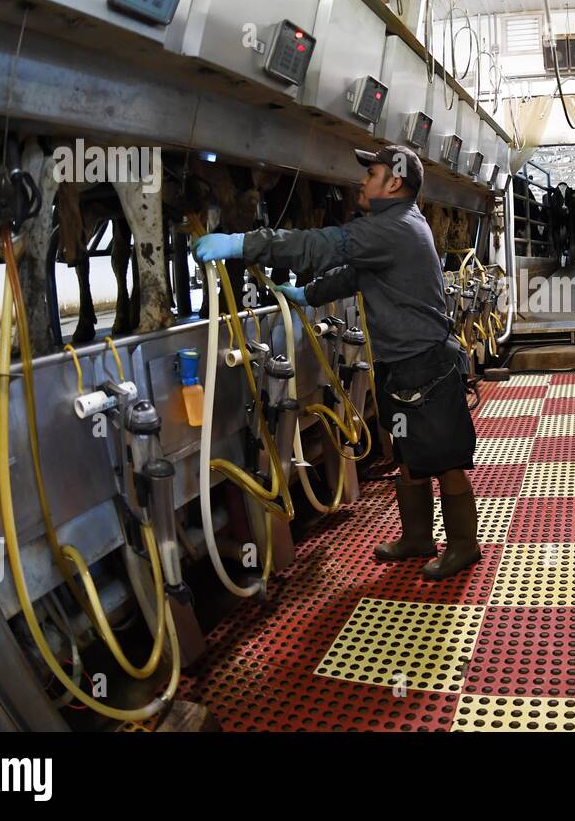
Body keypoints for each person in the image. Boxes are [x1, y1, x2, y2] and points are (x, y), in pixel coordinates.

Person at [192, 144, 480, 580]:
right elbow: (355, 274)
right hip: (399, 369)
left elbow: (318, 246)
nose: (361, 181)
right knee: (407, 452)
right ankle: (418, 536)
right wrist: (309, 295)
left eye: (373, 174)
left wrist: (241, 243)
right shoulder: (391, 227)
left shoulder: (393, 227)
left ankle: (464, 545)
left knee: (444, 459)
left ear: (395, 182)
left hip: (426, 370)